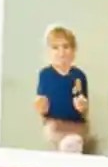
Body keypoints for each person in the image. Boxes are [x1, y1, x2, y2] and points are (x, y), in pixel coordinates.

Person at [34, 25, 91, 153]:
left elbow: (83, 104)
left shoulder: (78, 75)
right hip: (54, 123)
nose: (61, 52)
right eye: (55, 48)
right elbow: (42, 102)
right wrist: (40, 106)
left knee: (75, 141)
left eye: (66, 47)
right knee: (54, 135)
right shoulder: (45, 74)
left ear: (73, 51)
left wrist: (82, 105)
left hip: (76, 124)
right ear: (49, 52)